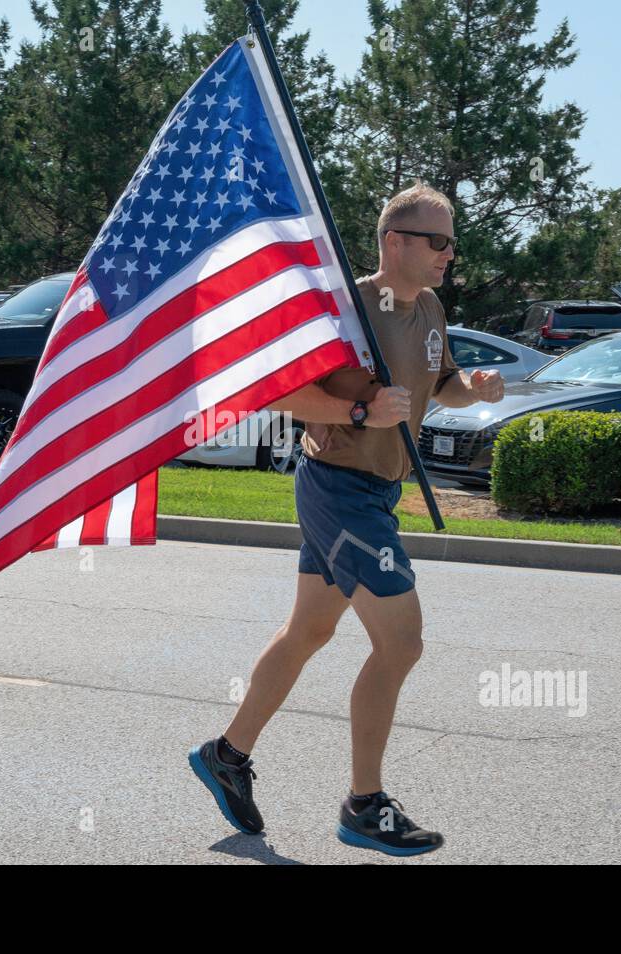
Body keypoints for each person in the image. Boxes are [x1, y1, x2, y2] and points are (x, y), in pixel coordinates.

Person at [189, 182, 505, 857]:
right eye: (438, 241)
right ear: (395, 242)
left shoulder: (429, 308)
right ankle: (364, 804)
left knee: (308, 630)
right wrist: (360, 413)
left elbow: (438, 380)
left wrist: (469, 387)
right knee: (402, 641)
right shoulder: (344, 306)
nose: (450, 254)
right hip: (341, 488)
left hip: (375, 492)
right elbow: (286, 394)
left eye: (452, 241)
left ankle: (226, 753)